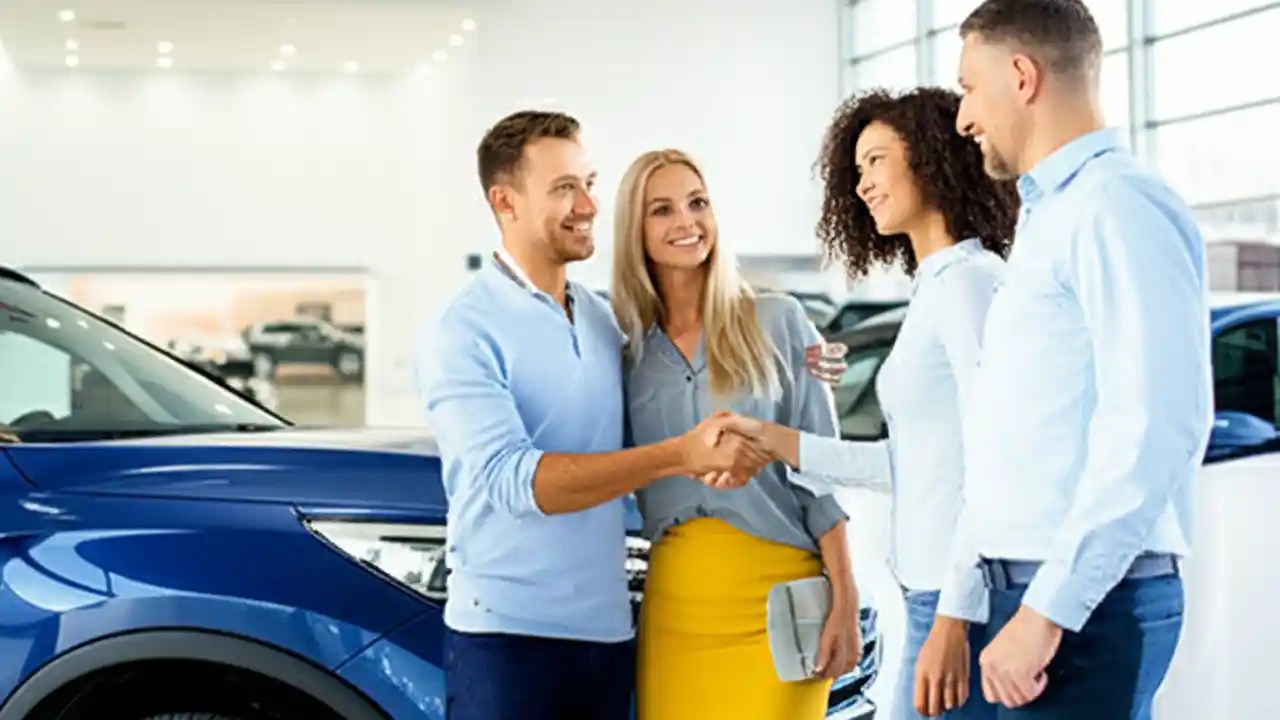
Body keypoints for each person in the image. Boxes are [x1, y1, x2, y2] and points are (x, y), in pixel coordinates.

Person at [419, 110, 778, 720]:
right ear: (504, 201)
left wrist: (802, 357)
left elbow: (674, 394)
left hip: (610, 634)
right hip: (508, 639)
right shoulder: (465, 327)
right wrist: (679, 455)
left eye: (589, 183)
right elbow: (515, 482)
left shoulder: (601, 318)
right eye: (564, 188)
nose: (588, 204)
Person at [933, 1, 1213, 717]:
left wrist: (1047, 612)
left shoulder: (1116, 204)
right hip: (1031, 595)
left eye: (969, 86)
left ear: (1022, 76)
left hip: (1078, 609)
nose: (964, 118)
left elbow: (1155, 425)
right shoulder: (1051, 213)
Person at [712, 87, 1019, 720]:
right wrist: (774, 440)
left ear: (931, 159)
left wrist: (955, 619)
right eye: (857, 171)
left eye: (876, 161)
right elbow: (915, 463)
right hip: (935, 596)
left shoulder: (969, 285)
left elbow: (999, 462)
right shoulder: (937, 285)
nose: (863, 185)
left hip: (966, 604)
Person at [610, 148, 862, 720]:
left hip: (782, 601)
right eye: (663, 210)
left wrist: (845, 596)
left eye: (698, 203)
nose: (686, 222)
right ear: (635, 229)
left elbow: (822, 474)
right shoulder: (625, 353)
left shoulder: (779, 320)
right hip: (678, 605)